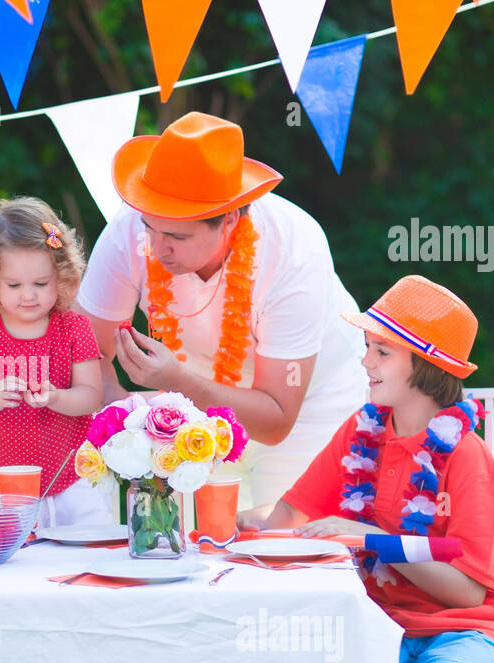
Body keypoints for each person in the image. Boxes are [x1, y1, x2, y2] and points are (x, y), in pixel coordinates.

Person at [239, 275, 494, 663]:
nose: (365, 362)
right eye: (367, 348)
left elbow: (467, 593)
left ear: (425, 365)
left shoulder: (467, 457)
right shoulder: (361, 434)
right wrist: (230, 522)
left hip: (472, 629)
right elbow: (286, 515)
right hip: (380, 619)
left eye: (382, 350)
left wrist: (377, 539)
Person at [74, 112, 368, 509]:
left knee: (290, 551)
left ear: (229, 219)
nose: (158, 249)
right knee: (198, 548)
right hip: (190, 408)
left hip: (309, 408)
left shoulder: (294, 249)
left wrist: (177, 381)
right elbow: (84, 352)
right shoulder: (130, 230)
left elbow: (277, 418)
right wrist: (130, 420)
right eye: (150, 228)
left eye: (177, 235)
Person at [0, 197, 107, 527]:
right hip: (6, 487)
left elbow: (92, 395)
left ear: (62, 276)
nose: (29, 295)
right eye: (14, 285)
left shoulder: (74, 329)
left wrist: (56, 397)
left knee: (88, 559)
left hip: (75, 481)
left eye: (41, 283)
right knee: (14, 568)